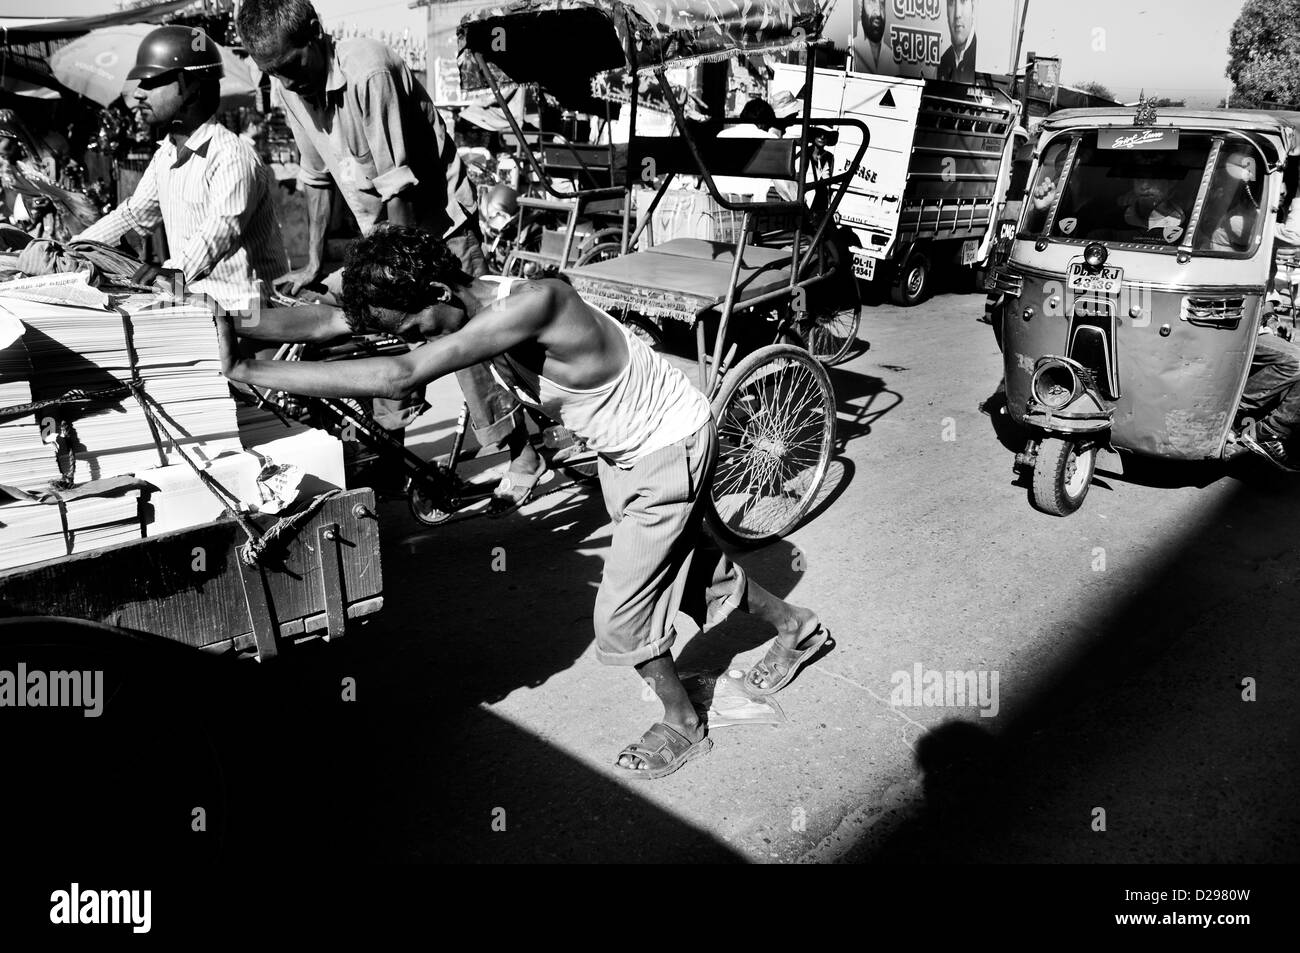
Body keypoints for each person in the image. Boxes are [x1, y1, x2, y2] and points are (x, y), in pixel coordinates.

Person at [214, 224, 831, 779]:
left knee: (619, 615)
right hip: (627, 450)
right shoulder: (449, 303)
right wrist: (218, 317)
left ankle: (683, 723)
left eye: (411, 327)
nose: (408, 337)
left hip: (666, 446)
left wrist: (249, 370)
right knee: (691, 567)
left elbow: (400, 373)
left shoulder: (538, 302)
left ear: (437, 287)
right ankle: (796, 627)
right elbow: (325, 324)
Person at [237, 0, 544, 513]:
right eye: (276, 75)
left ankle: (522, 453)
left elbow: (397, 184)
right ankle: (391, 457)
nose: (289, 84)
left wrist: (399, 277)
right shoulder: (291, 87)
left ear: (315, 33)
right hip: (380, 231)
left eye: (293, 68)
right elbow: (315, 179)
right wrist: (314, 262)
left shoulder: (369, 69)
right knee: (366, 330)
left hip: (436, 225)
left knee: (469, 339)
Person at [72, 26, 287, 312]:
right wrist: (74, 248)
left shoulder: (230, 154)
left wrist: (171, 272)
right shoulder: (167, 154)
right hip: (202, 307)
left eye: (151, 82)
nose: (138, 94)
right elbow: (134, 215)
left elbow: (220, 229)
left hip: (252, 313)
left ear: (190, 85)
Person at [937, 0, 977, 84]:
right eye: (951, 2)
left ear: (973, 7)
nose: (957, 14)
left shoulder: (982, 56)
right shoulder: (943, 61)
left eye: (963, 1)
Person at [856, 0, 896, 76]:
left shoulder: (891, 59)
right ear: (861, 7)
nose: (878, 13)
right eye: (872, 2)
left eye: (882, 4)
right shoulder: (853, 50)